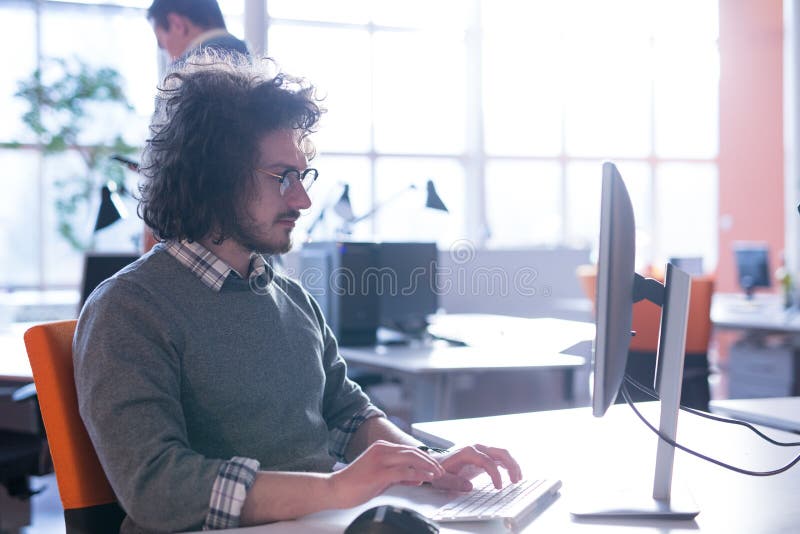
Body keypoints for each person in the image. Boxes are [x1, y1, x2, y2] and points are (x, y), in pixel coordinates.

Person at [73, 51, 522, 533]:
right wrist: (334, 489)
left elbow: (346, 413)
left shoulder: (289, 297)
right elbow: (157, 487)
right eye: (281, 177)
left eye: (303, 176)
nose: (302, 199)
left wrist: (429, 464)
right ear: (214, 178)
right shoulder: (127, 310)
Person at [146, 0, 248, 63]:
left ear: (177, 25)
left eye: (160, 40)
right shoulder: (250, 58)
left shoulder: (185, 74)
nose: (161, 47)